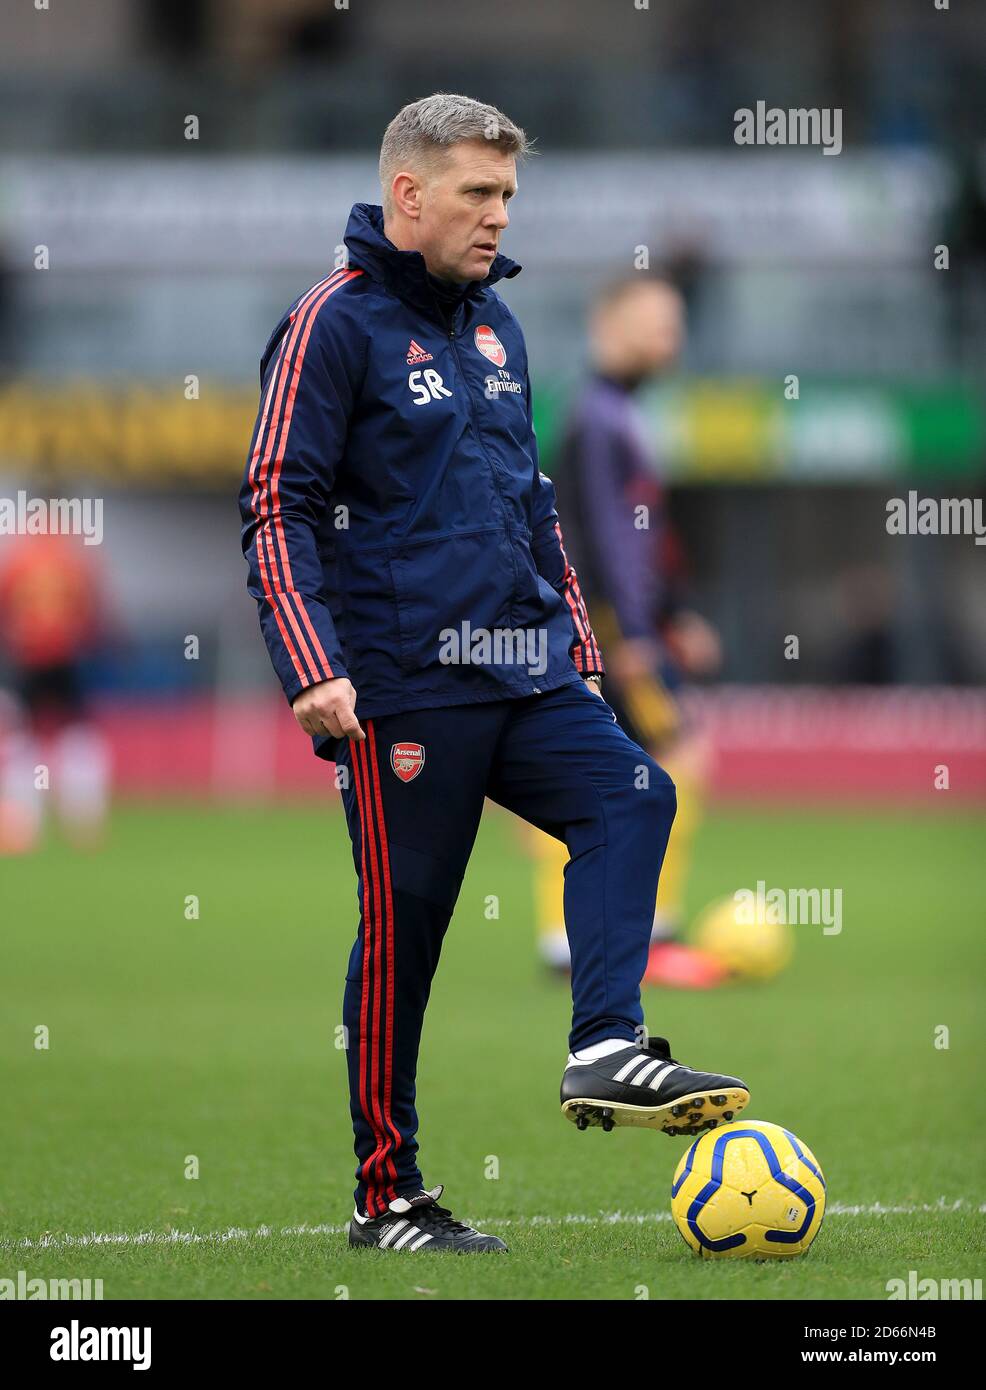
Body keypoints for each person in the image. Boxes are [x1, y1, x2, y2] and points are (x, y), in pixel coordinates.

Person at [239, 93, 748, 1255]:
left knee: (634, 796)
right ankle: (388, 1196)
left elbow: (530, 505)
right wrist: (312, 667)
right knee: (405, 935)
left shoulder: (496, 330)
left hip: (522, 671)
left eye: (508, 194)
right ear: (407, 194)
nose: (497, 215)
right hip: (398, 688)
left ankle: (602, 1042)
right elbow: (276, 502)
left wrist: (570, 638)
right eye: (477, 192)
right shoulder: (331, 323)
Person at [533, 274, 727, 988]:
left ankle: (575, 935)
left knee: (608, 772)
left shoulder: (615, 414)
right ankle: (646, 931)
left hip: (619, 624)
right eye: (653, 323)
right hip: (610, 629)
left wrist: (674, 613)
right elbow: (601, 539)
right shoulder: (597, 418)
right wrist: (631, 632)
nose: (668, 339)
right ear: (606, 326)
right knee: (672, 763)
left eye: (674, 325)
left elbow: (641, 534)